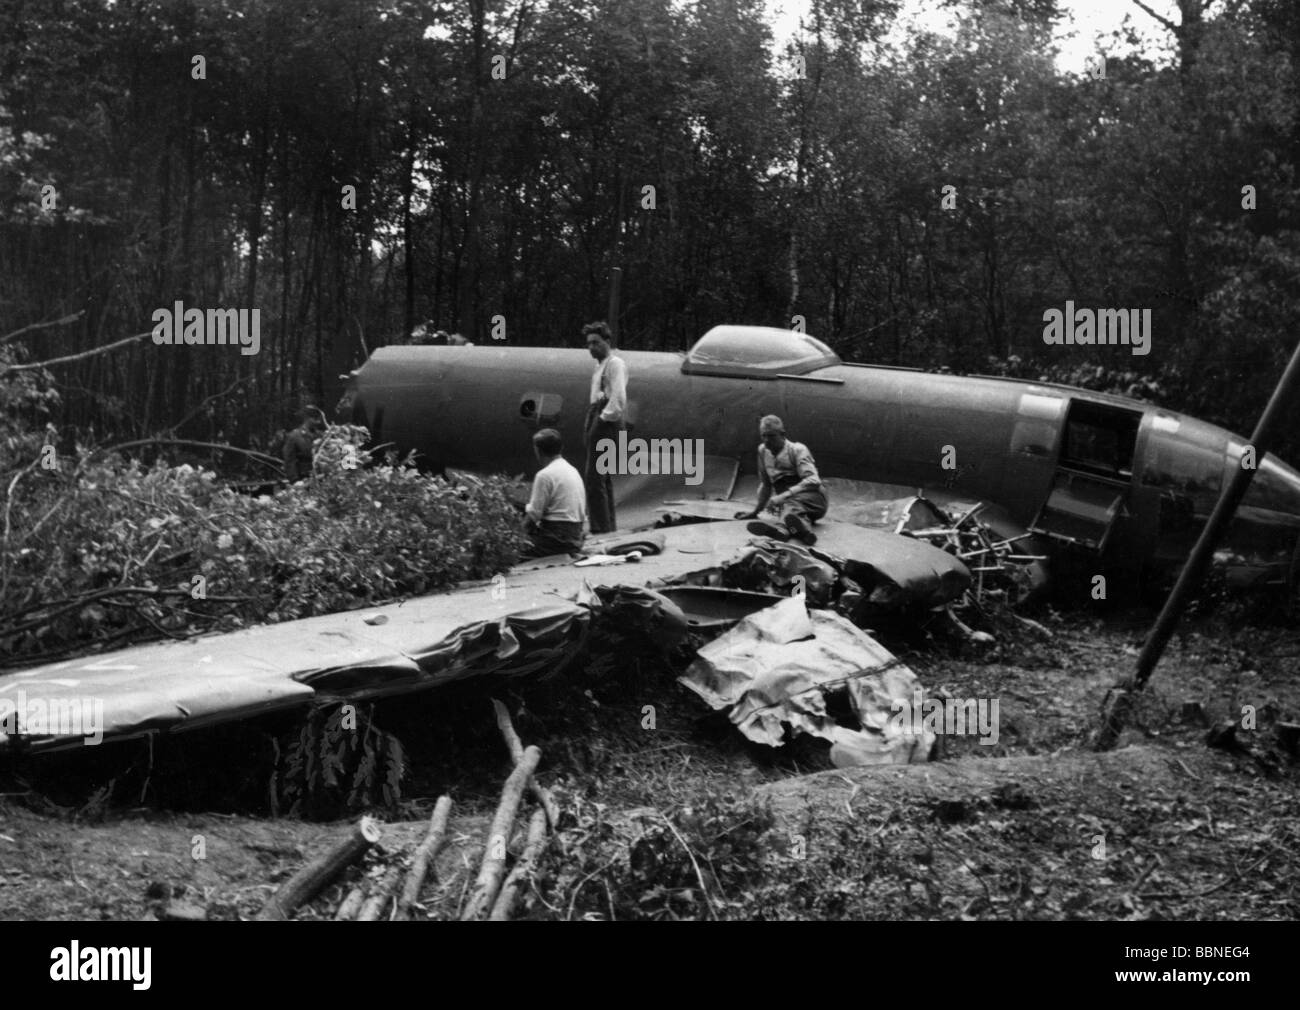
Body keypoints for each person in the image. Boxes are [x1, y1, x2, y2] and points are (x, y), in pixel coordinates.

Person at [734, 414, 828, 546]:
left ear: (783, 434)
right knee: (792, 511)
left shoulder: (797, 449)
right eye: (763, 435)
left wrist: (783, 496)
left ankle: (782, 529)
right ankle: (797, 532)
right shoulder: (762, 451)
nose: (766, 440)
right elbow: (766, 484)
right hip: (791, 503)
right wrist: (756, 512)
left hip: (814, 498)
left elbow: (813, 480)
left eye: (771, 436)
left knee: (791, 505)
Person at [582, 320, 628, 534]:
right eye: (589, 343)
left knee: (594, 479)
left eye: (596, 342)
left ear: (607, 341)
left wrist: (601, 419)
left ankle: (600, 528)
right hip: (597, 416)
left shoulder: (614, 364)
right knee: (602, 477)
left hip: (605, 422)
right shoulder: (599, 365)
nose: (592, 347)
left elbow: (618, 399)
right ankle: (607, 526)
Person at [523, 428, 587, 558]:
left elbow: (533, 516)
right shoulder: (572, 470)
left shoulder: (544, 475)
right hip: (575, 536)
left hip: (556, 538)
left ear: (538, 451)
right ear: (561, 447)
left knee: (516, 550)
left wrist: (517, 537)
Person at [283, 407, 326, 482]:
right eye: (315, 419)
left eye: (319, 419)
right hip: (303, 477)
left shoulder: (320, 435)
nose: (318, 422)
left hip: (320, 477)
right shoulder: (294, 436)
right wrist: (294, 480)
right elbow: (289, 460)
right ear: (307, 418)